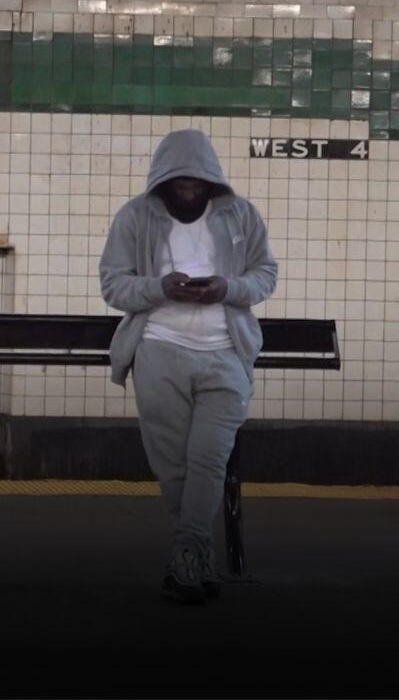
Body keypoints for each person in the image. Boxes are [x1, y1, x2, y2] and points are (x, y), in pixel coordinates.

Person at [98, 129, 277, 605]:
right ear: (163, 182)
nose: (189, 193)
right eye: (179, 186)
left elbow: (265, 274)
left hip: (226, 355)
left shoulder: (241, 215)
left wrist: (227, 288)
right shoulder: (135, 217)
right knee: (173, 466)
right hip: (158, 353)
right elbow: (113, 285)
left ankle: (187, 556)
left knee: (209, 459)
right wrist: (160, 288)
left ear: (211, 181)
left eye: (197, 185)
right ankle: (194, 557)